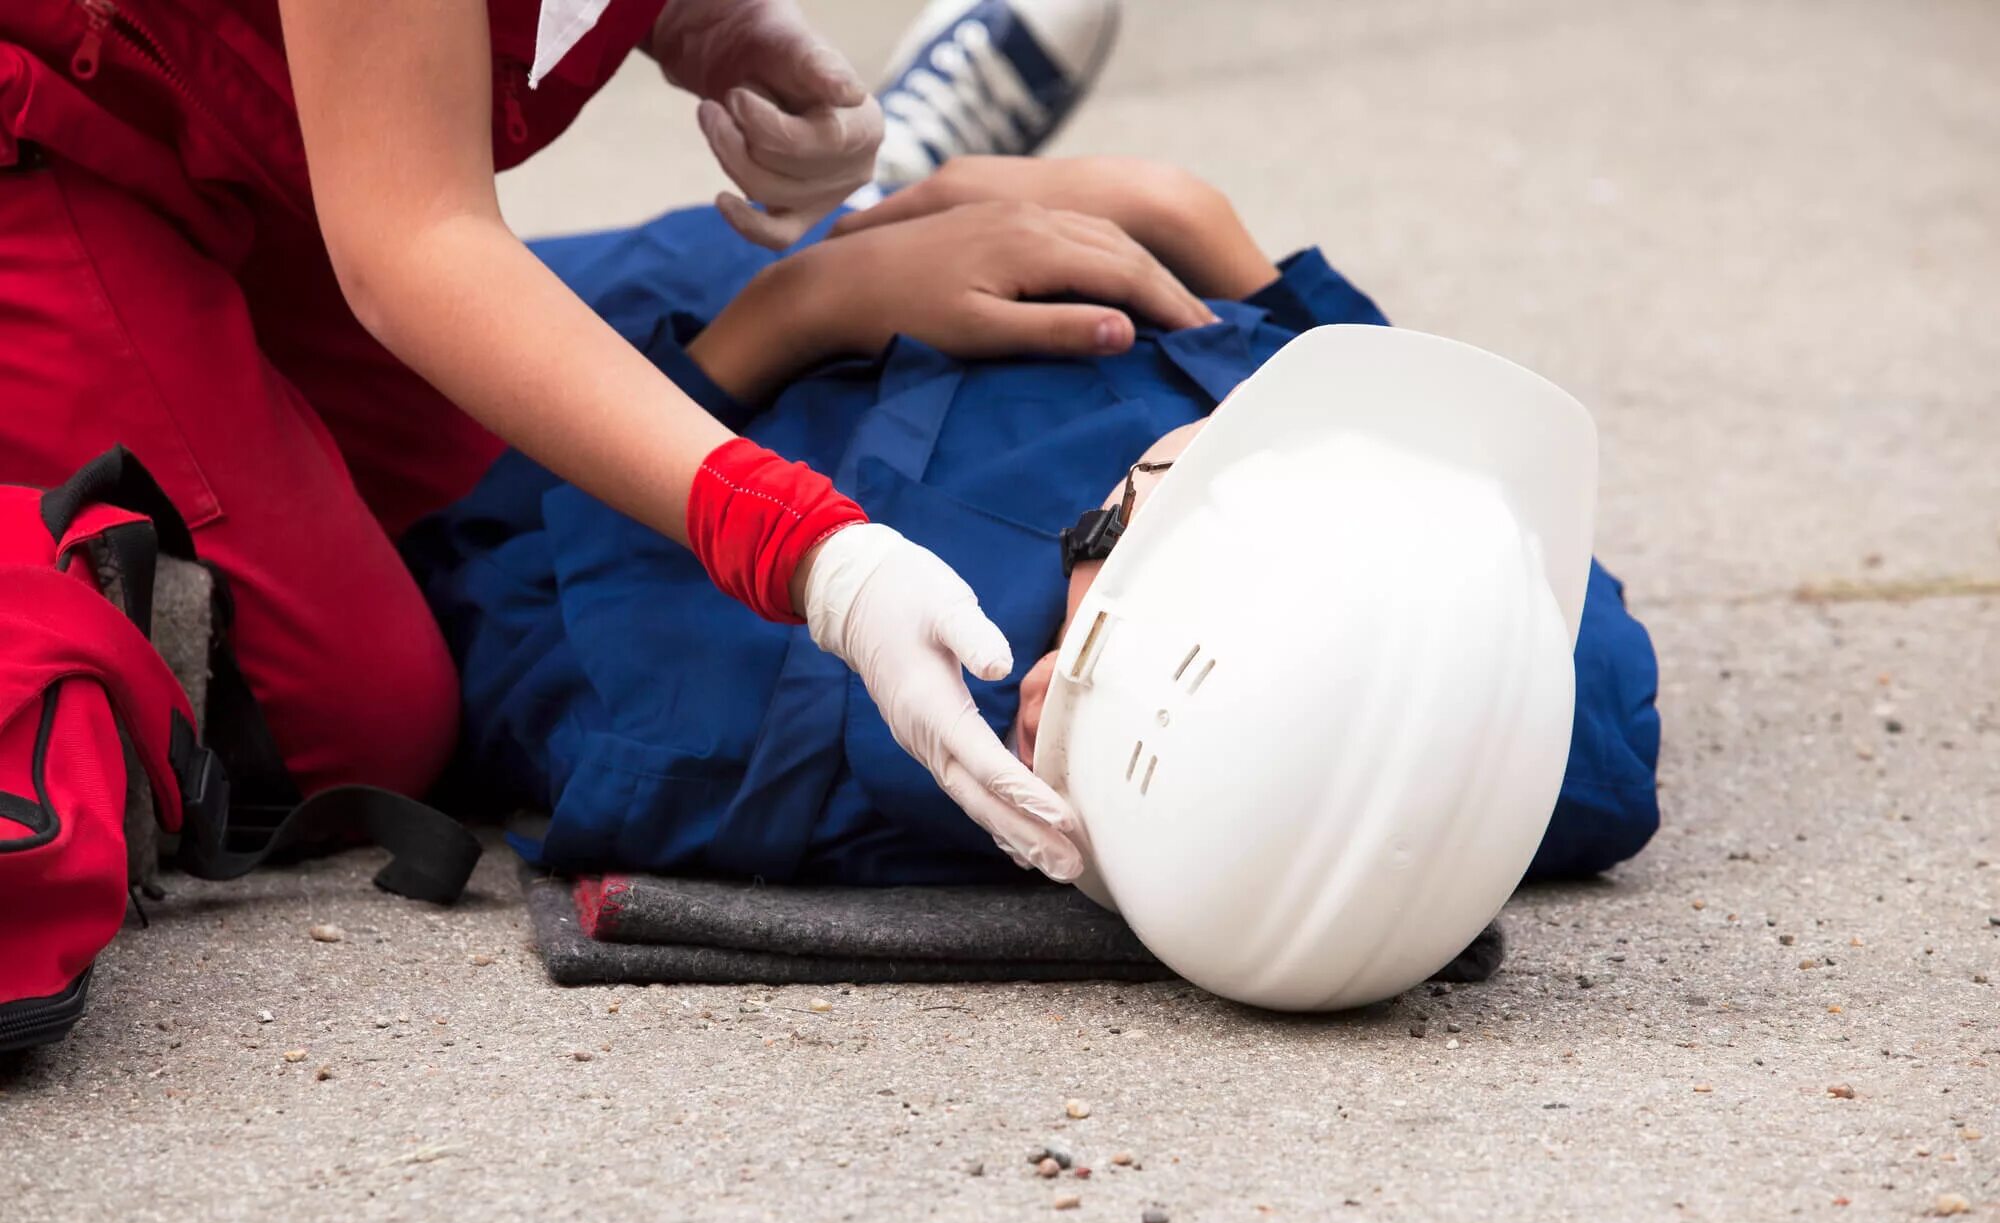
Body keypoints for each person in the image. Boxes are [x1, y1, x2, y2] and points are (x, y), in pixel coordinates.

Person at [0, 0, 1115, 884]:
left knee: (509, 508)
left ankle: (841, 230)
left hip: (272, 139)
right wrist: (816, 555)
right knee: (348, 719)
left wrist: (690, 17)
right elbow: (414, 244)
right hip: (62, 137)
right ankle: (814, 250)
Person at [409, 156, 1663, 886]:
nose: (1224, 429)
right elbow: (1408, 430)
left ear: (1059, 682)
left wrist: (793, 309)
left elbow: (487, 537)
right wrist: (1187, 223)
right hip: (1039, 258)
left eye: (1159, 506)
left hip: (704, 343)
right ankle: (936, 165)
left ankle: (896, 165)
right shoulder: (1554, 709)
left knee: (391, 293)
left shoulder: (721, 738)